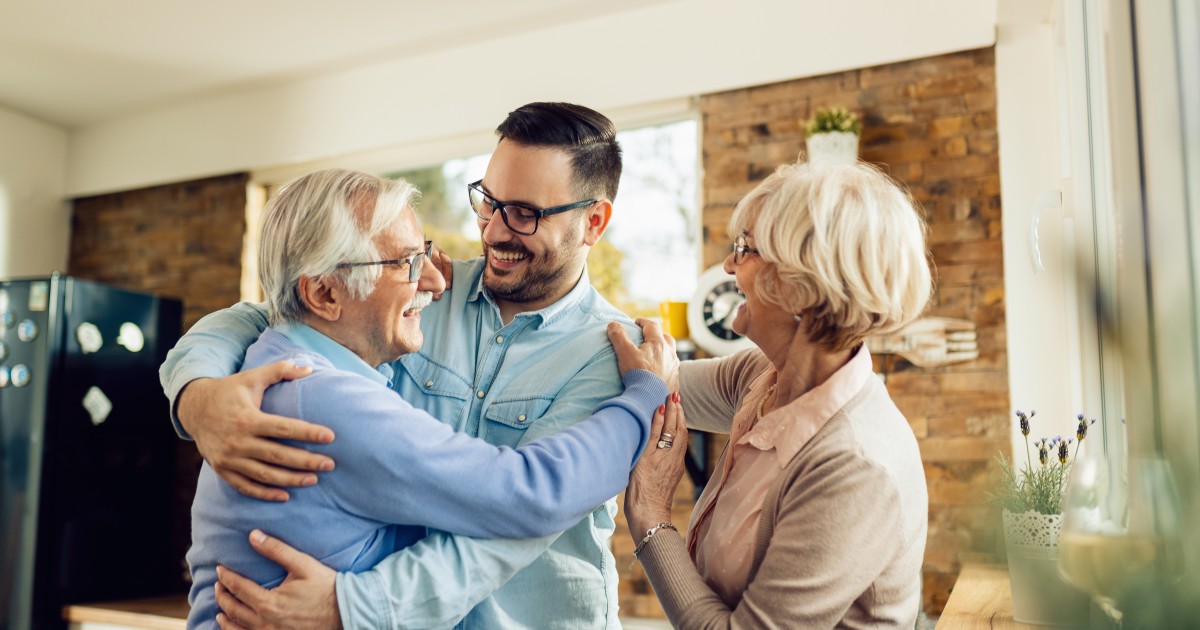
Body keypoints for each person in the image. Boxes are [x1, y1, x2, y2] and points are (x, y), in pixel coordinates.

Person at [160, 103, 659, 629]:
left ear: (593, 222)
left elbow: (525, 508)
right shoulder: (385, 324)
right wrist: (197, 395)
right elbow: (272, 309)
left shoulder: (616, 352)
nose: (491, 232)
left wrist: (356, 605)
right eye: (487, 202)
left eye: (524, 213)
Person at [623, 161, 932, 628]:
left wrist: (650, 514)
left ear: (797, 286)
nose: (728, 265)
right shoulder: (763, 378)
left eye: (744, 249)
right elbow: (655, 379)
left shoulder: (854, 469)